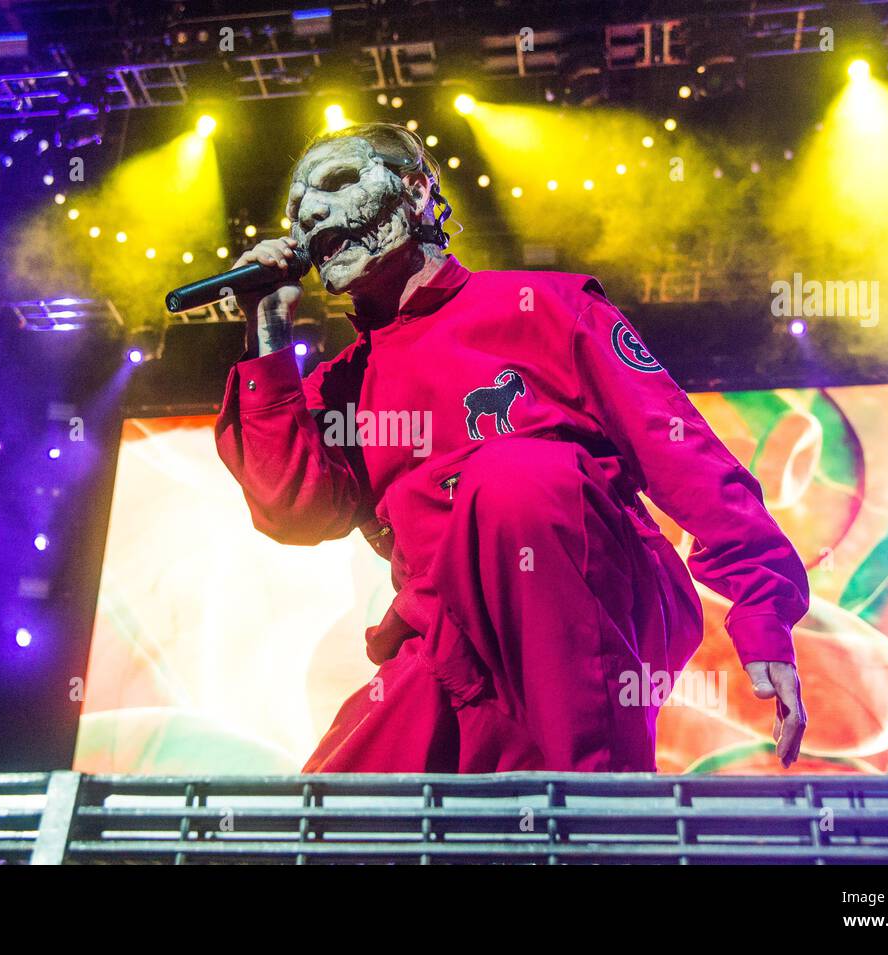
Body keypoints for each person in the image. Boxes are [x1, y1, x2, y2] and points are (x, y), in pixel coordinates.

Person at [215, 122, 809, 773]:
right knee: (325, 819)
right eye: (297, 209)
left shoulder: (547, 306)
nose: (310, 215)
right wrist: (266, 336)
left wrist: (763, 606)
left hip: (596, 608)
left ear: (416, 194)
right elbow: (291, 508)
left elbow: (685, 456)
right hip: (455, 651)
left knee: (513, 477)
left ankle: (598, 805)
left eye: (333, 184)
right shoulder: (342, 385)